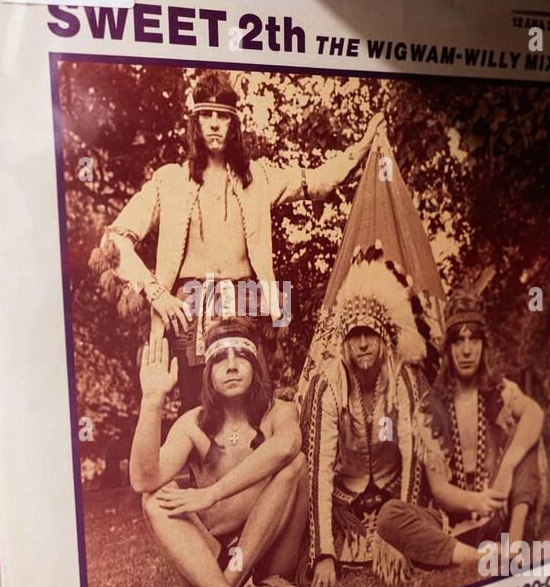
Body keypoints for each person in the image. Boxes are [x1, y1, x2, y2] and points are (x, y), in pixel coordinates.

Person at [92, 69, 384, 408]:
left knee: (256, 412)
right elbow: (113, 240)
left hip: (247, 304)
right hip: (190, 309)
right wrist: (157, 294)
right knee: (198, 412)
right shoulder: (168, 181)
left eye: (222, 117)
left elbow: (317, 181)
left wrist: (364, 145)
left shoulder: (256, 178)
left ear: (233, 125)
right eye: (207, 116)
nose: (214, 124)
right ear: (196, 123)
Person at [130, 319, 307, 587]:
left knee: (296, 464)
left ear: (255, 367)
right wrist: (151, 402)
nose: (232, 366)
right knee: (154, 497)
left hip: (269, 557)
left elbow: (287, 447)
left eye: (241, 356)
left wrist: (212, 493)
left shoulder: (280, 411)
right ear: (208, 373)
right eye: (220, 360)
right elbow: (144, 480)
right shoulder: (192, 423)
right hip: (211, 562)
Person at [377, 278, 545, 572]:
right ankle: (476, 558)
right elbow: (440, 491)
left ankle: (515, 546)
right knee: (389, 515)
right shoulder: (431, 406)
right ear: (448, 349)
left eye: (474, 339)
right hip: (451, 524)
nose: (467, 350)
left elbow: (535, 414)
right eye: (458, 341)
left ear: (483, 345)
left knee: (525, 446)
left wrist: (505, 471)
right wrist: (475, 500)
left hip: (499, 509)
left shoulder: (498, 390)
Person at [299, 245, 431, 587]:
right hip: (346, 503)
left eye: (369, 333)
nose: (362, 344)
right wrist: (324, 555)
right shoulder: (327, 384)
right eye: (354, 335)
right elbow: (318, 468)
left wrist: (402, 532)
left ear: (384, 338)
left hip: (393, 492)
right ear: (344, 342)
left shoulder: (404, 379)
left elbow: (413, 456)